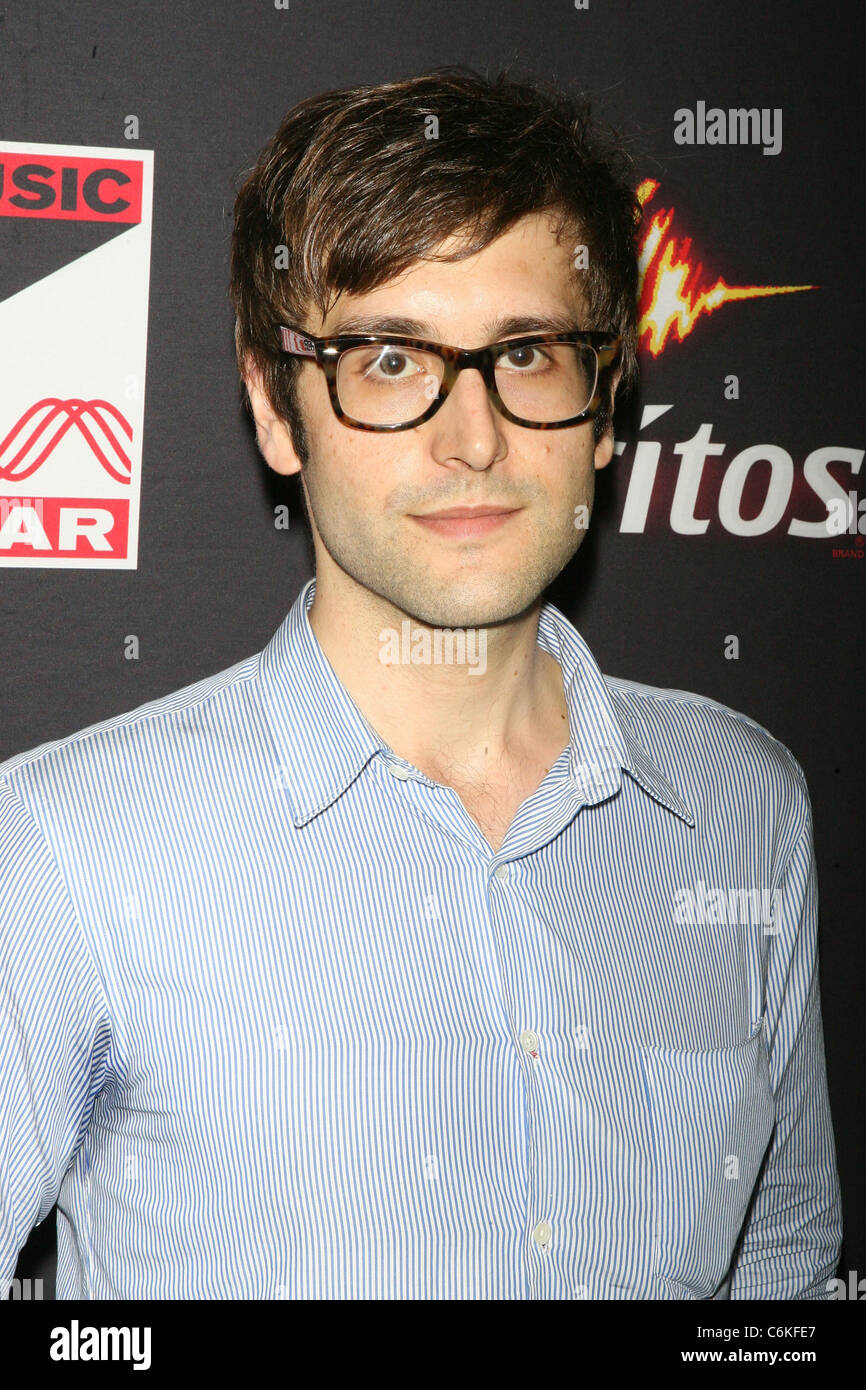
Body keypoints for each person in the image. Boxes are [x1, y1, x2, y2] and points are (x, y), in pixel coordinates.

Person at [0, 66, 841, 1300]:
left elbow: (778, 1271)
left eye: (528, 353)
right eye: (390, 358)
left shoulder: (742, 804)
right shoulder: (63, 847)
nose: (473, 439)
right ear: (275, 409)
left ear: (606, 403)